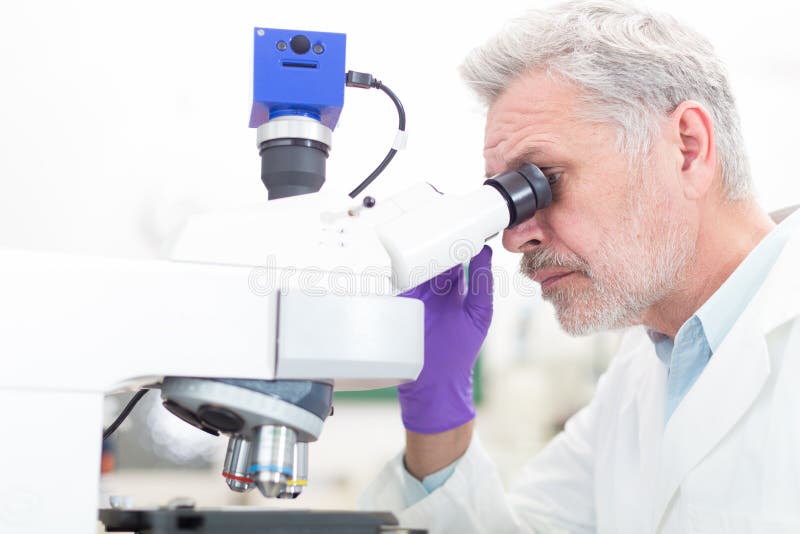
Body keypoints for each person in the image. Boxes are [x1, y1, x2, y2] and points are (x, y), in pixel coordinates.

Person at [358, 1, 800, 532]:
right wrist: (438, 408)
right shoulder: (643, 373)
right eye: (505, 198)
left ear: (686, 148)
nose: (516, 236)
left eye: (542, 179)